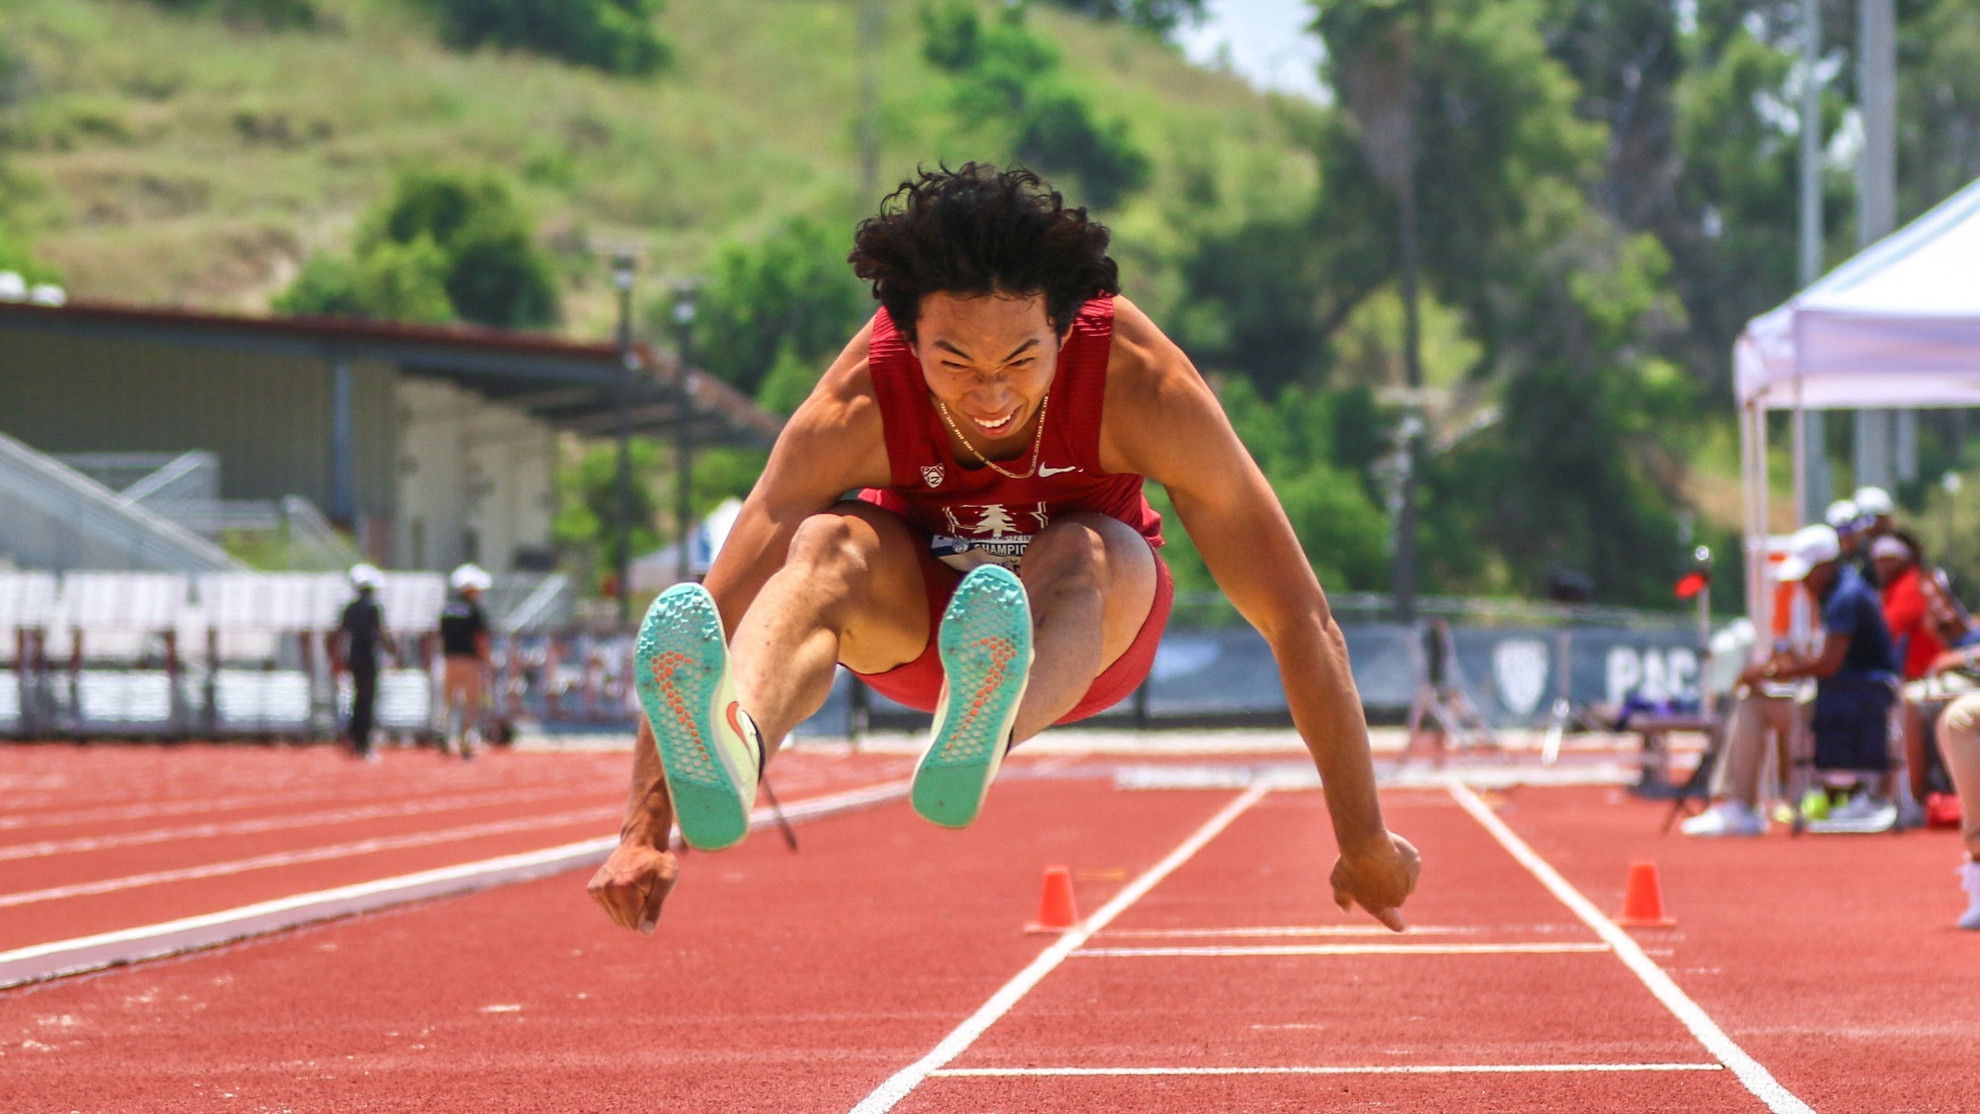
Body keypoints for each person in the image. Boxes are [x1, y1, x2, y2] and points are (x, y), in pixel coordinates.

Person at [587, 164, 1419, 936]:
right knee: (824, 545)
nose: (990, 392)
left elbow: (1296, 615)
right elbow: (713, 609)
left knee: (1082, 549)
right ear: (906, 339)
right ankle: (738, 750)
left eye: (1021, 359)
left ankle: (983, 727)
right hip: (911, 625)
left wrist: (1364, 836)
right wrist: (643, 829)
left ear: (1066, 327)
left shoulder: (1143, 386)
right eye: (954, 362)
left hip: (1084, 632)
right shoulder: (858, 400)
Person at [329, 564, 394, 761]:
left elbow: (339, 635)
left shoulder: (349, 608)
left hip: (353, 656)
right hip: (369, 656)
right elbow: (381, 633)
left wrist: (337, 659)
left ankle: (353, 737)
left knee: (357, 698)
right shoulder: (374, 607)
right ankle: (363, 743)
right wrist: (394, 651)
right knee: (367, 700)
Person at [439, 563, 493, 759]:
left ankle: (443, 735)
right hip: (469, 661)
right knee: (471, 703)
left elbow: (441, 637)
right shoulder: (475, 611)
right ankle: (465, 740)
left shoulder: (447, 610)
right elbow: (480, 639)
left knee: (449, 702)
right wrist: (487, 661)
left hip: (449, 660)